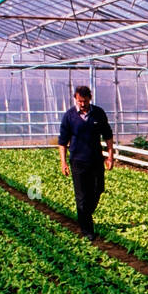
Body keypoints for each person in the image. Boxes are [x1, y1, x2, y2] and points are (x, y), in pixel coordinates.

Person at [57, 85, 114, 240]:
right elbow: (62, 142)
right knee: (82, 197)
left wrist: (110, 156)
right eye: (79, 101)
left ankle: (84, 215)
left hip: (96, 160)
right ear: (75, 99)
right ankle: (87, 230)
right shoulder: (69, 116)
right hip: (78, 162)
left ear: (90, 98)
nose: (82, 104)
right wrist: (63, 163)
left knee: (98, 189)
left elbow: (108, 135)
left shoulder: (98, 114)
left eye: (85, 100)